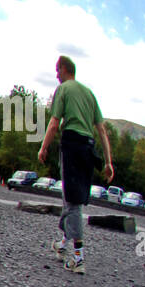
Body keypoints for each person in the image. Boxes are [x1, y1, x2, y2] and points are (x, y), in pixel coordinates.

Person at [38, 56, 113, 274]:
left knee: (73, 202)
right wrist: (108, 162)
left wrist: (44, 148)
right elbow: (101, 130)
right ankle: (62, 245)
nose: (56, 75)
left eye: (57, 70)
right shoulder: (89, 94)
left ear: (64, 69)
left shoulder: (63, 89)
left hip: (71, 145)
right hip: (88, 149)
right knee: (70, 197)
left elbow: (54, 123)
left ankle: (78, 258)